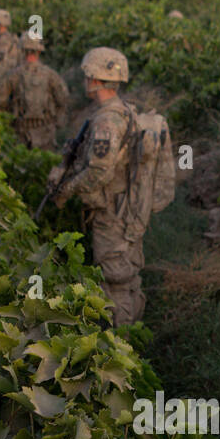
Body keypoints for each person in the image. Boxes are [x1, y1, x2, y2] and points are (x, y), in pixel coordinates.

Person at [47, 47, 146, 326]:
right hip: (125, 204)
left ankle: (120, 344)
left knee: (114, 278)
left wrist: (67, 189)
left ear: (95, 78)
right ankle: (133, 332)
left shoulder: (107, 120)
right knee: (127, 274)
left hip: (112, 211)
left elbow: (99, 172)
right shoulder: (122, 111)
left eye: (87, 76)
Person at [0, 35, 69, 150]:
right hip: (46, 130)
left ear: (23, 50)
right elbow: (63, 98)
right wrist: (57, 121)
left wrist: (8, 121)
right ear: (39, 51)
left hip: (21, 131)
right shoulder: (50, 74)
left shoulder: (13, 75)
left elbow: (0, 101)